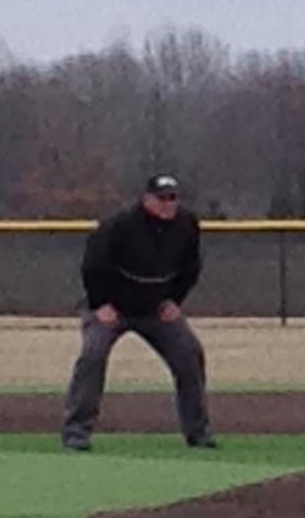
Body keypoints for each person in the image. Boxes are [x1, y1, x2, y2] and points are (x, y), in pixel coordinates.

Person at [61, 174, 215, 451]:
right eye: (162, 198)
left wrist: (174, 300)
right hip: (112, 307)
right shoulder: (120, 225)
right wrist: (99, 304)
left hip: (155, 309)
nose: (169, 204)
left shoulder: (186, 225)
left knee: (190, 354)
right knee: (92, 355)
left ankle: (199, 433)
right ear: (147, 199)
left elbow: (191, 268)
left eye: (173, 198)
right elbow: (92, 264)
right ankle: (76, 432)